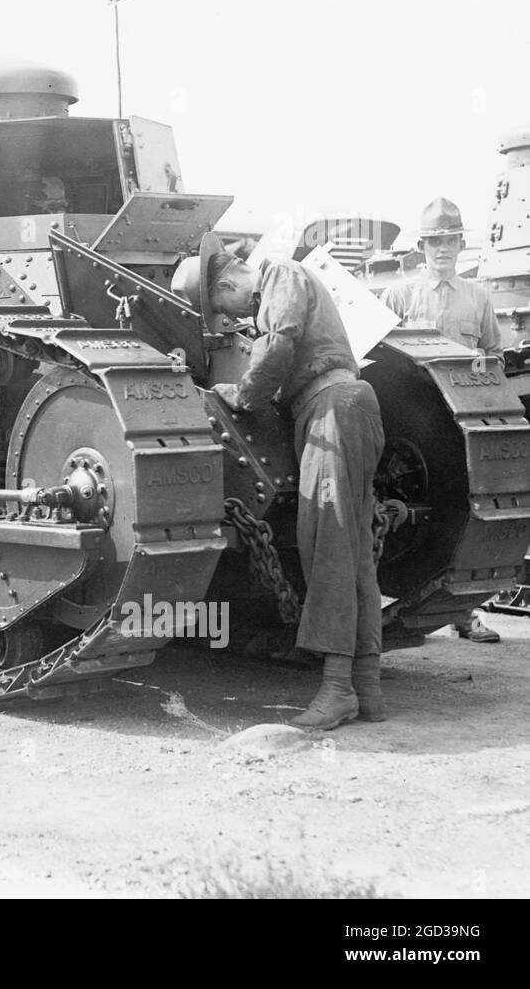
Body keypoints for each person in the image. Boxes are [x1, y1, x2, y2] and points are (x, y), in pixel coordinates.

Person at [178, 234, 387, 729]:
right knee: (352, 548)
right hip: (338, 409)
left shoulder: (279, 274)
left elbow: (276, 346)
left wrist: (240, 394)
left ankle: (337, 691)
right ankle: (368, 689)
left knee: (329, 544)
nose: (231, 320)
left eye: (222, 308)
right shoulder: (280, 284)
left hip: (332, 410)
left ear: (227, 281)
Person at [381, 197, 501, 643]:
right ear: (422, 247)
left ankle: (464, 613)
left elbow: (492, 354)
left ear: (460, 243)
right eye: (434, 242)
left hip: (463, 424)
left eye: (450, 240)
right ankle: (414, 600)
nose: (442, 249)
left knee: (466, 515)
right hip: (413, 426)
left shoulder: (477, 297)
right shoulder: (400, 295)